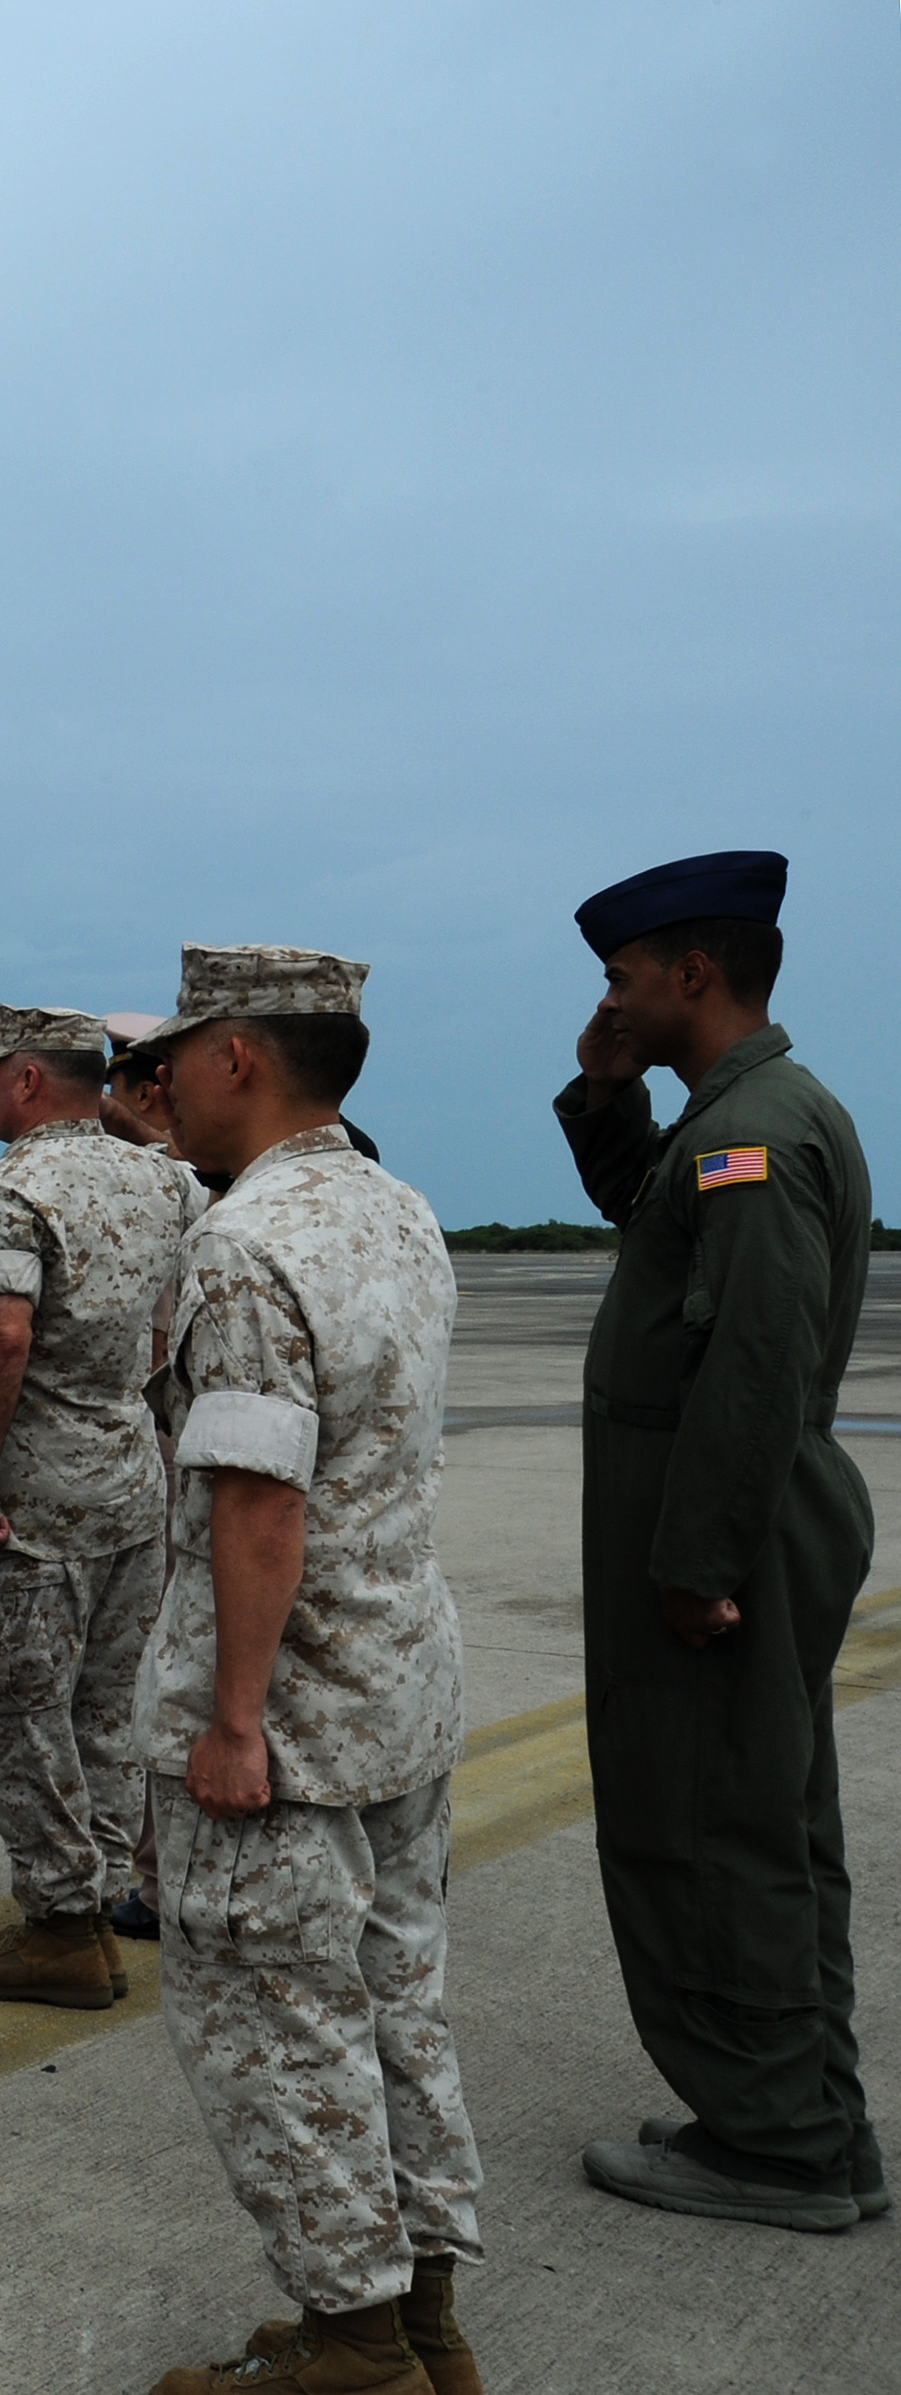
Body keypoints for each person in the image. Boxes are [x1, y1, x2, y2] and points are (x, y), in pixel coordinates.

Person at [129, 946, 486, 2395]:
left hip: (285, 1709)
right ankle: (422, 2321)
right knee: (397, 1996)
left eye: (175, 1056)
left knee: (275, 2026)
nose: (158, 1086)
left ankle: (351, 2345)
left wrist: (229, 1715)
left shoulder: (247, 1238)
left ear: (238, 1057)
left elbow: (258, 1497)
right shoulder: (398, 1208)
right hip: (400, 1681)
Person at [556, 849, 885, 2235]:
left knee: (713, 1824)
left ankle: (781, 2144)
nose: (613, 999)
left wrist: (697, 1562)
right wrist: (605, 1091)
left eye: (624, 978)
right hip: (748, 1507)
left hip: (728, 1520)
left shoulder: (755, 1132)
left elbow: (751, 1357)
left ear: (695, 971)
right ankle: (798, 2111)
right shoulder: (733, 1119)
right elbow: (659, 1230)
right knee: (766, 1814)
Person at [0, 1006, 197, 2014]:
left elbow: (2, 1336)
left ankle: (60, 1927)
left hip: (33, 1506)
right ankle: (102, 1892)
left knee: (16, 1719)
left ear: (31, 1079)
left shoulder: (14, 1189)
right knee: (106, 1715)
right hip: (130, 1487)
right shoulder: (164, 1180)